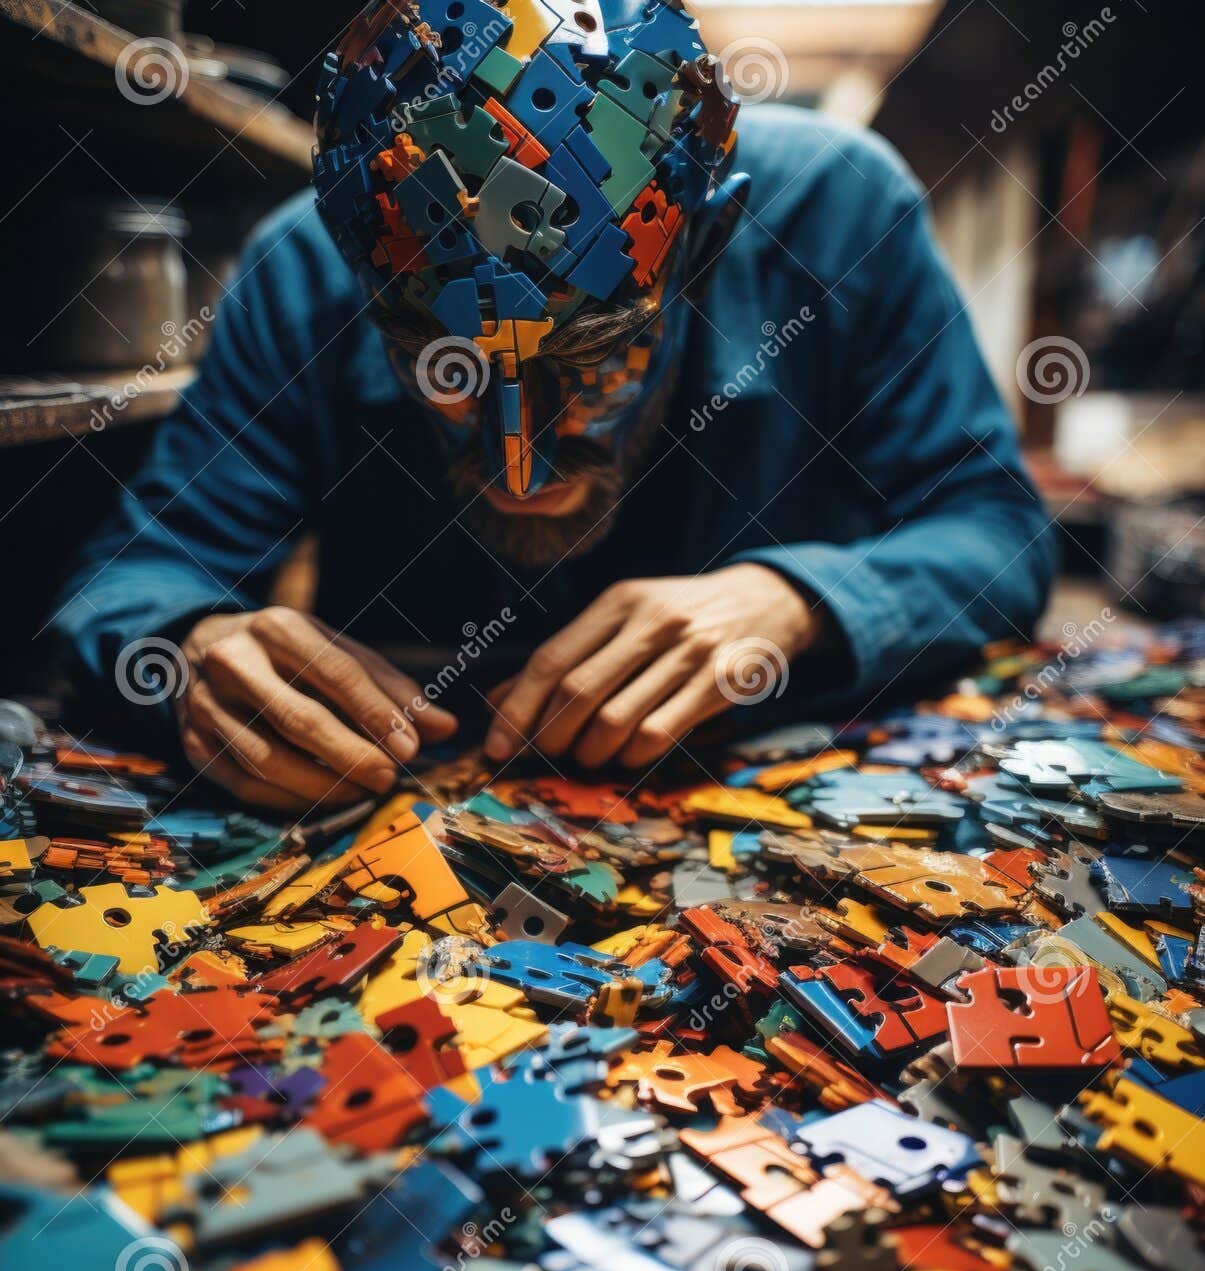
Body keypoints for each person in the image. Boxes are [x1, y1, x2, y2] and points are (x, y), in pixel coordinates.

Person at [52, 0, 1055, 812]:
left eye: (592, 363)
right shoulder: (301, 269)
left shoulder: (841, 212)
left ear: (701, 251)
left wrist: (795, 600)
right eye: (445, 371)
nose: (519, 464)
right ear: (365, 282)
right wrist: (191, 650)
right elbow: (134, 579)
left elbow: (996, 531)